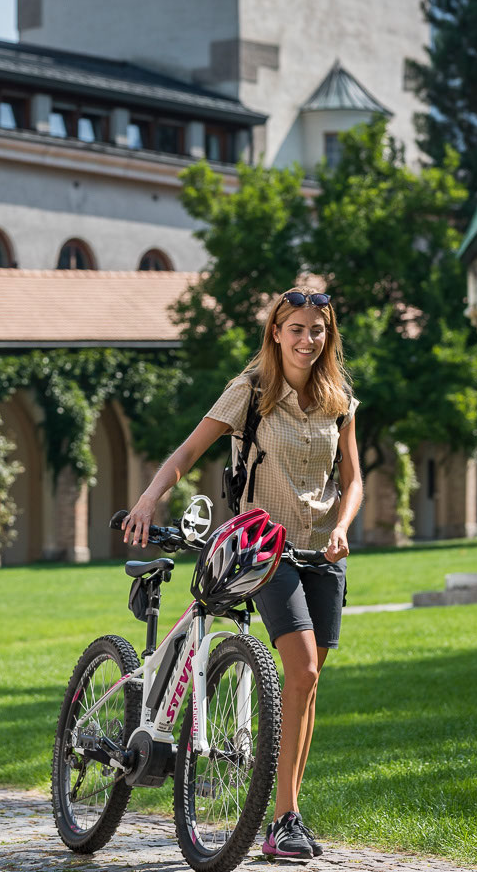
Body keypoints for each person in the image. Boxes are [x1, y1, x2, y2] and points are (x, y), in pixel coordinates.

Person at [122, 288, 362, 861]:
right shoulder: (250, 392)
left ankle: (290, 815)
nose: (308, 340)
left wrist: (344, 525)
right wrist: (150, 498)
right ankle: (281, 819)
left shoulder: (340, 399)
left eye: (318, 330)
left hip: (323, 554)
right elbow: (186, 453)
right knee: (300, 666)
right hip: (263, 546)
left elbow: (352, 480)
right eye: (297, 328)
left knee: (307, 682)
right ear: (276, 333)